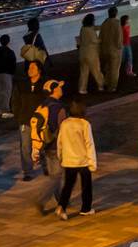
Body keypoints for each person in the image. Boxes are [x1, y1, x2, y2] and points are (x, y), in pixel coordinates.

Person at [31, 79, 68, 215]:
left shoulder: (42, 105)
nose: (61, 89)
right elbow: (63, 127)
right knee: (57, 176)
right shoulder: (59, 107)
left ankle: (61, 200)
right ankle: (41, 200)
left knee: (54, 175)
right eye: (59, 87)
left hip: (45, 145)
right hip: (56, 145)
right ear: (54, 90)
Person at [54, 99, 96, 218]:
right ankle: (86, 208)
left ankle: (62, 206)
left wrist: (60, 156)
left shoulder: (65, 123)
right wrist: (92, 162)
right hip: (82, 161)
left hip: (68, 160)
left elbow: (60, 142)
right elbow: (89, 144)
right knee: (86, 185)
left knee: (68, 185)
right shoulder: (84, 124)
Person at [13, 61, 44, 180]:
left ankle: (45, 164)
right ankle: (28, 171)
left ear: (39, 70)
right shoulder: (22, 85)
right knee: (25, 147)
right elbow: (15, 101)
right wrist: (18, 115)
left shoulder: (44, 84)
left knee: (42, 144)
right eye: (29, 67)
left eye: (33, 67)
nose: (30, 69)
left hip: (40, 121)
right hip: (25, 120)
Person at [98, 6, 124, 93]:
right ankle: (112, 86)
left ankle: (106, 82)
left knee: (108, 68)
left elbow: (100, 37)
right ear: (116, 13)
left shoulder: (104, 23)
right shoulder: (117, 23)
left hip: (105, 50)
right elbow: (119, 38)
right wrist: (120, 47)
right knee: (115, 69)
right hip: (114, 51)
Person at [76, 13, 103, 95]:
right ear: (91, 21)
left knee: (84, 72)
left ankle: (82, 89)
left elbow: (94, 28)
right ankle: (101, 86)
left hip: (82, 54)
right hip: (91, 54)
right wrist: (102, 39)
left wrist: (102, 27)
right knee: (96, 71)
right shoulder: (90, 31)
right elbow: (95, 41)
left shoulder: (83, 28)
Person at [0, 34, 16, 118]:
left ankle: (1, 110)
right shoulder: (10, 52)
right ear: (8, 41)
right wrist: (13, 73)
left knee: (0, 91)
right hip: (6, 74)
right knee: (7, 92)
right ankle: (5, 110)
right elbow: (12, 64)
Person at [121, 14, 135, 78]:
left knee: (129, 58)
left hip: (127, 44)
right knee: (123, 58)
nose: (129, 20)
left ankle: (129, 71)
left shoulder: (127, 27)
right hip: (123, 45)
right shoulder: (122, 28)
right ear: (125, 20)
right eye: (128, 19)